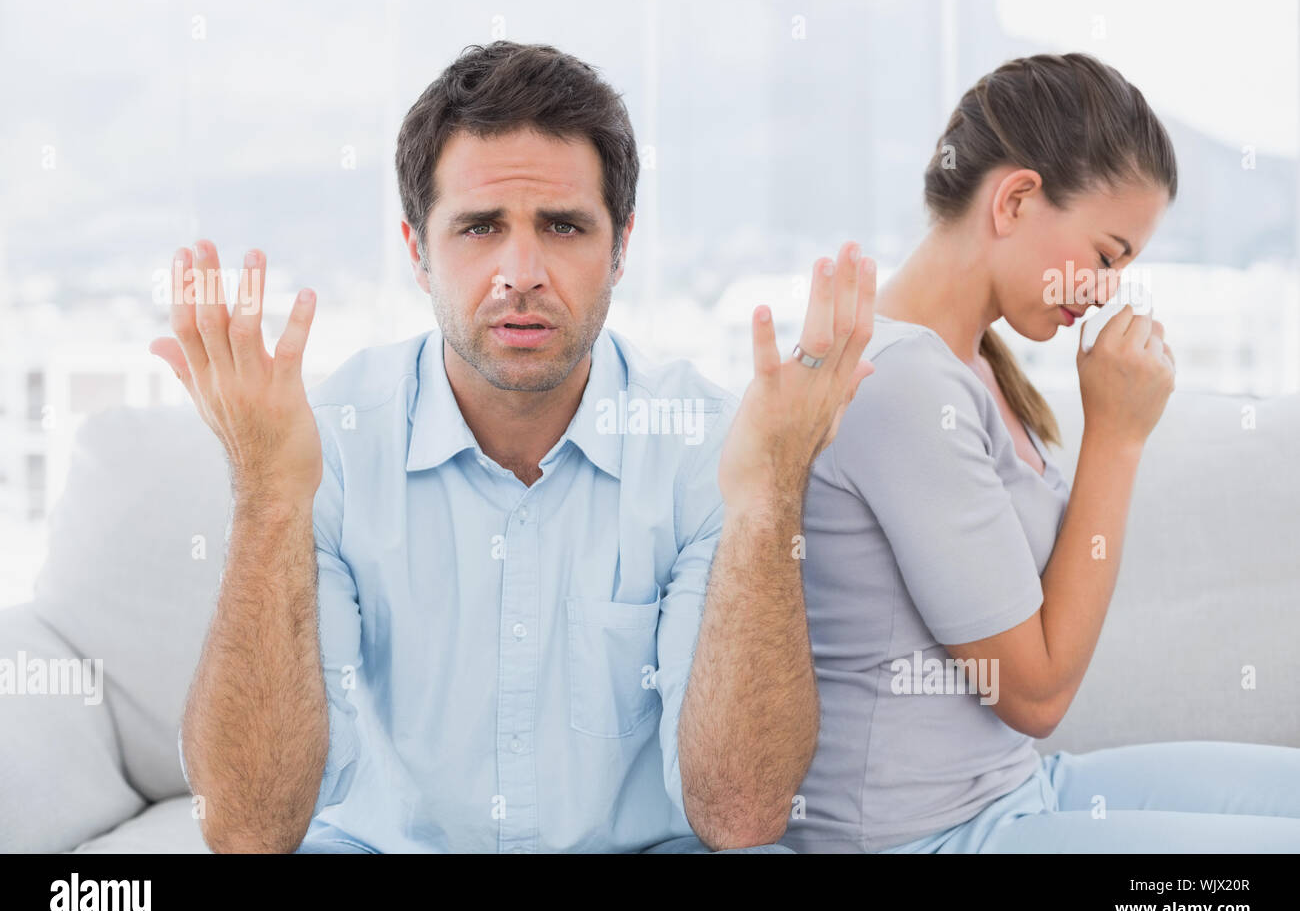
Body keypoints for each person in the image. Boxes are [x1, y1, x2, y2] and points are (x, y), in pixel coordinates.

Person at [150, 41, 876, 853]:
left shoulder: (705, 446)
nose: (520, 271)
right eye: (479, 227)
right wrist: (267, 496)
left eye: (563, 226)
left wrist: (769, 497)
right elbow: (249, 830)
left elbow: (741, 816)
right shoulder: (331, 444)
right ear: (417, 250)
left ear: (621, 245)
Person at [785, 52, 1300, 853]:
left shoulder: (977, 363)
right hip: (931, 836)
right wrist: (1118, 437)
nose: (1107, 292)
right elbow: (1035, 694)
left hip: (1018, 790)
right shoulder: (901, 384)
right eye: (1105, 256)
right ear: (1018, 198)